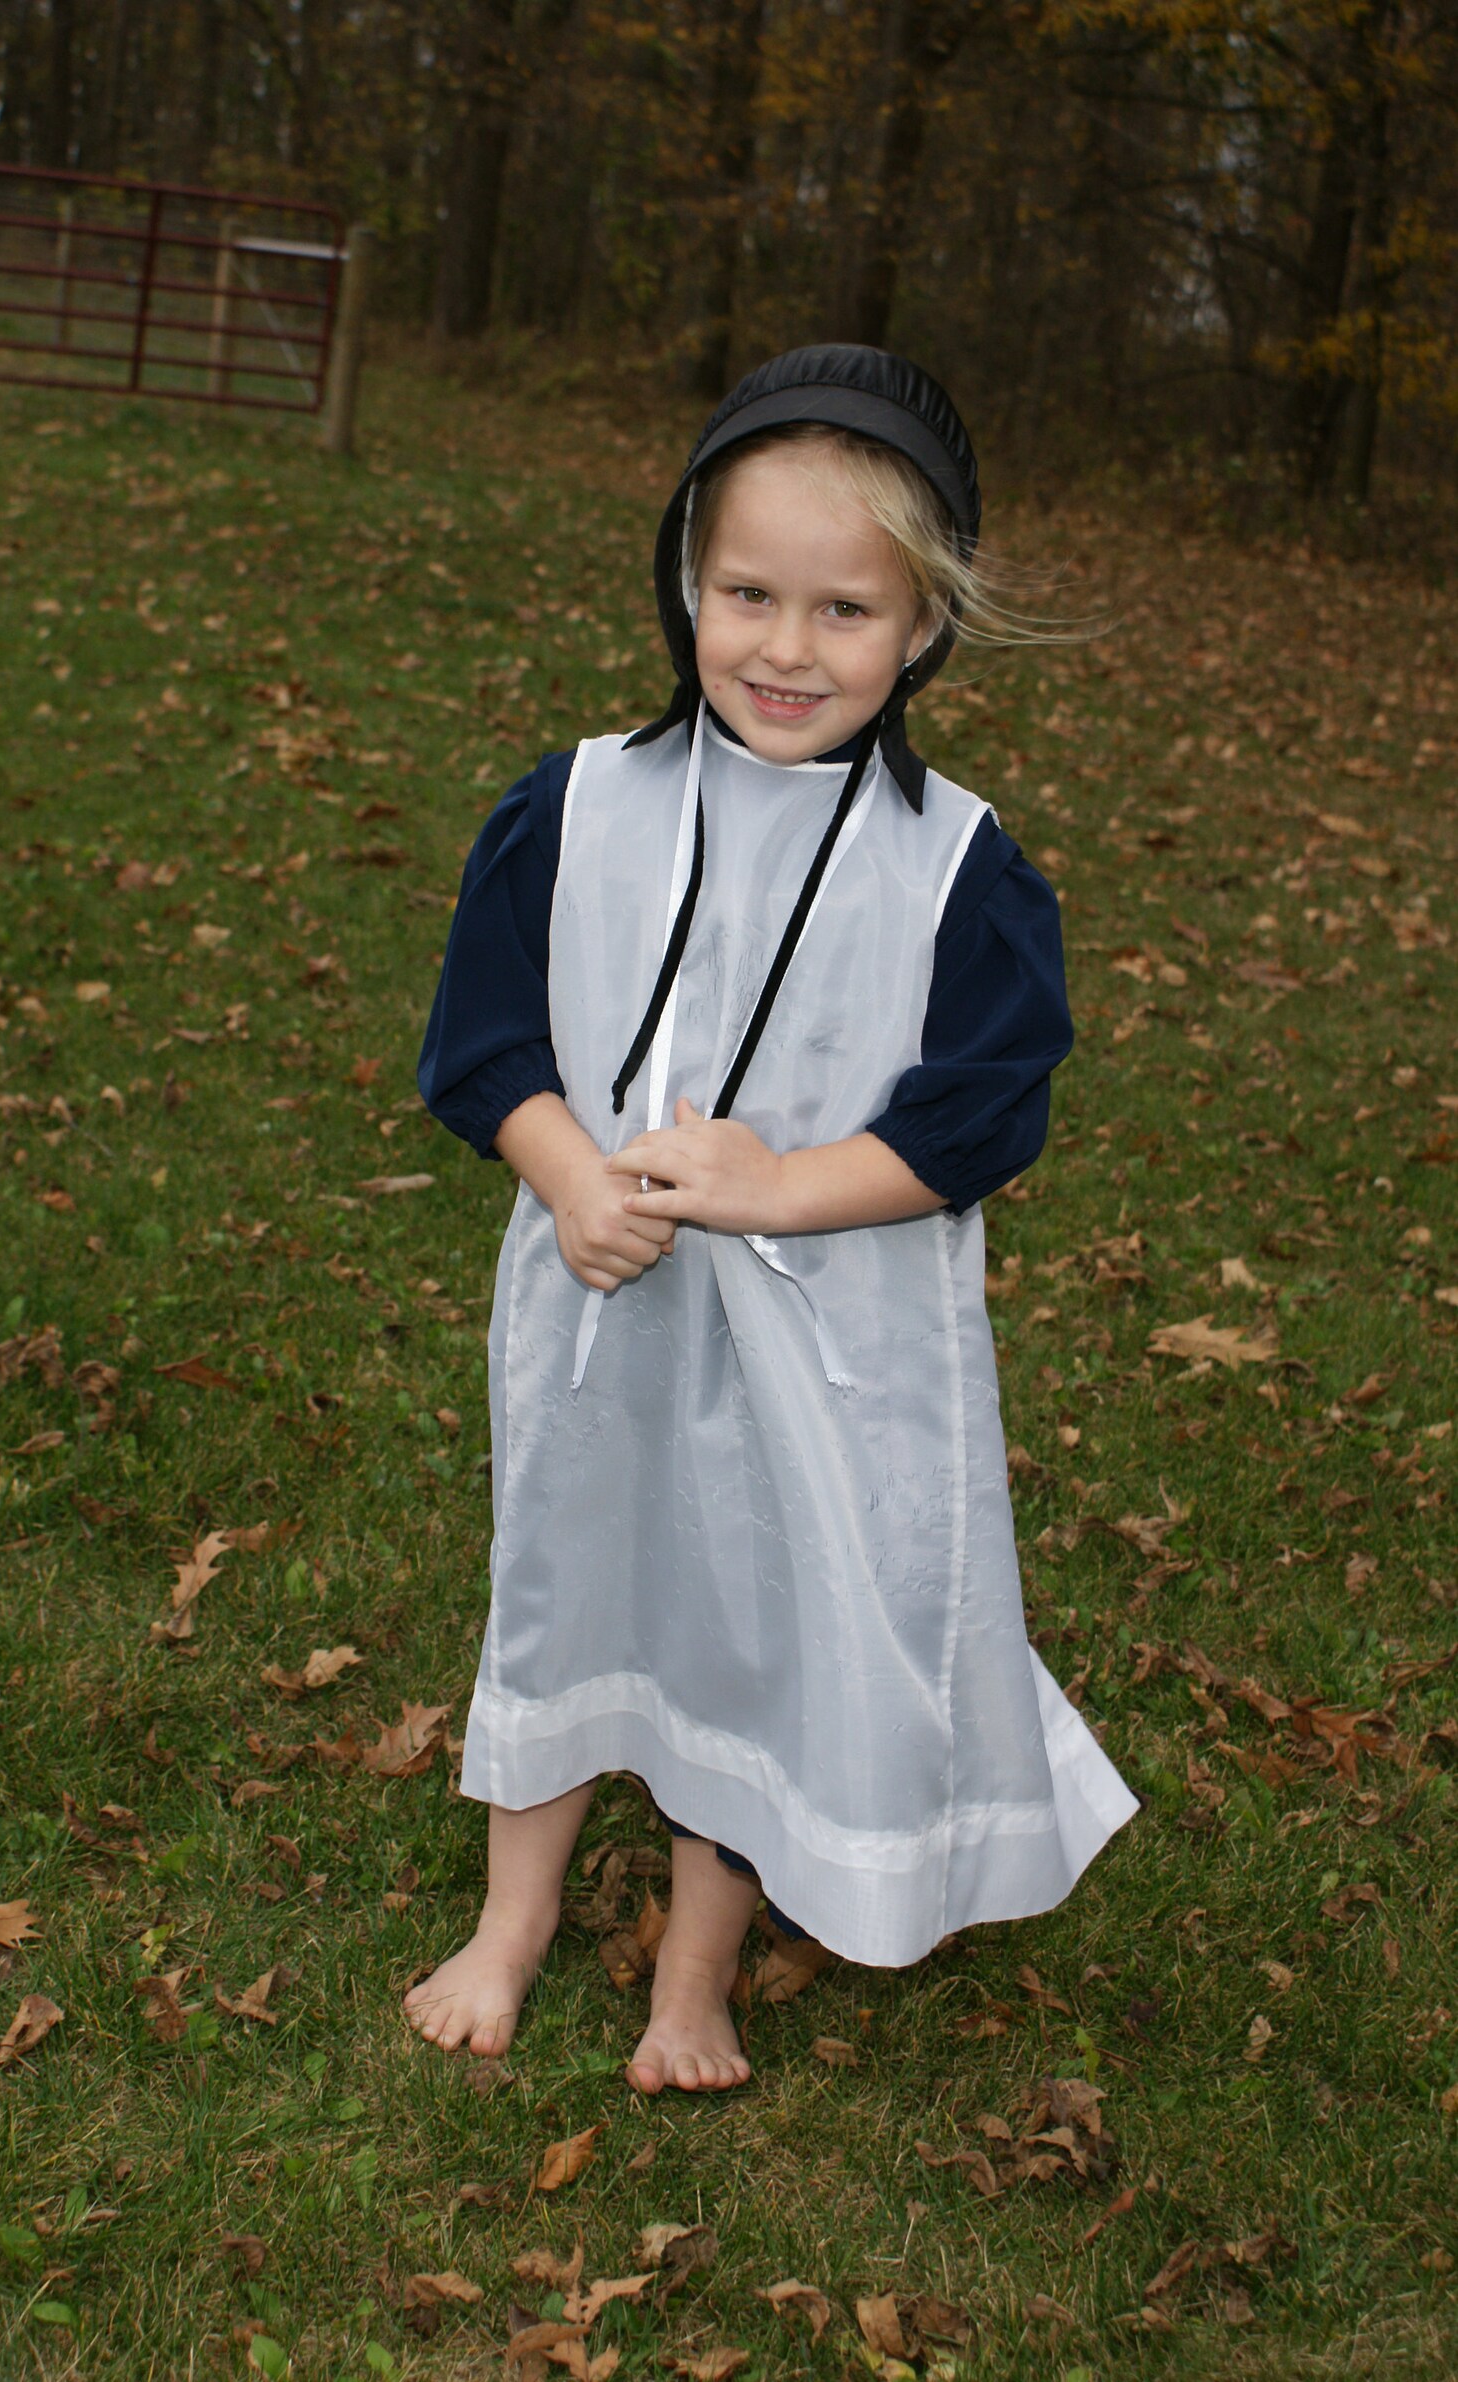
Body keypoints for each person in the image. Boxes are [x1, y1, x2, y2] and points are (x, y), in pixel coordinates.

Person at [412, 344, 1137, 2094]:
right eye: (749, 593)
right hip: (606, 1308)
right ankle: (510, 1922)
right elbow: (485, 1037)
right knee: (568, 1583)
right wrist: (572, 1174)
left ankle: (694, 1973)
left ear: (925, 626)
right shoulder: (577, 806)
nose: (787, 650)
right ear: (687, 580)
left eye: (844, 610)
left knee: (764, 1615)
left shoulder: (961, 868)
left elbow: (980, 1114)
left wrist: (778, 1190)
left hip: (831, 1348)